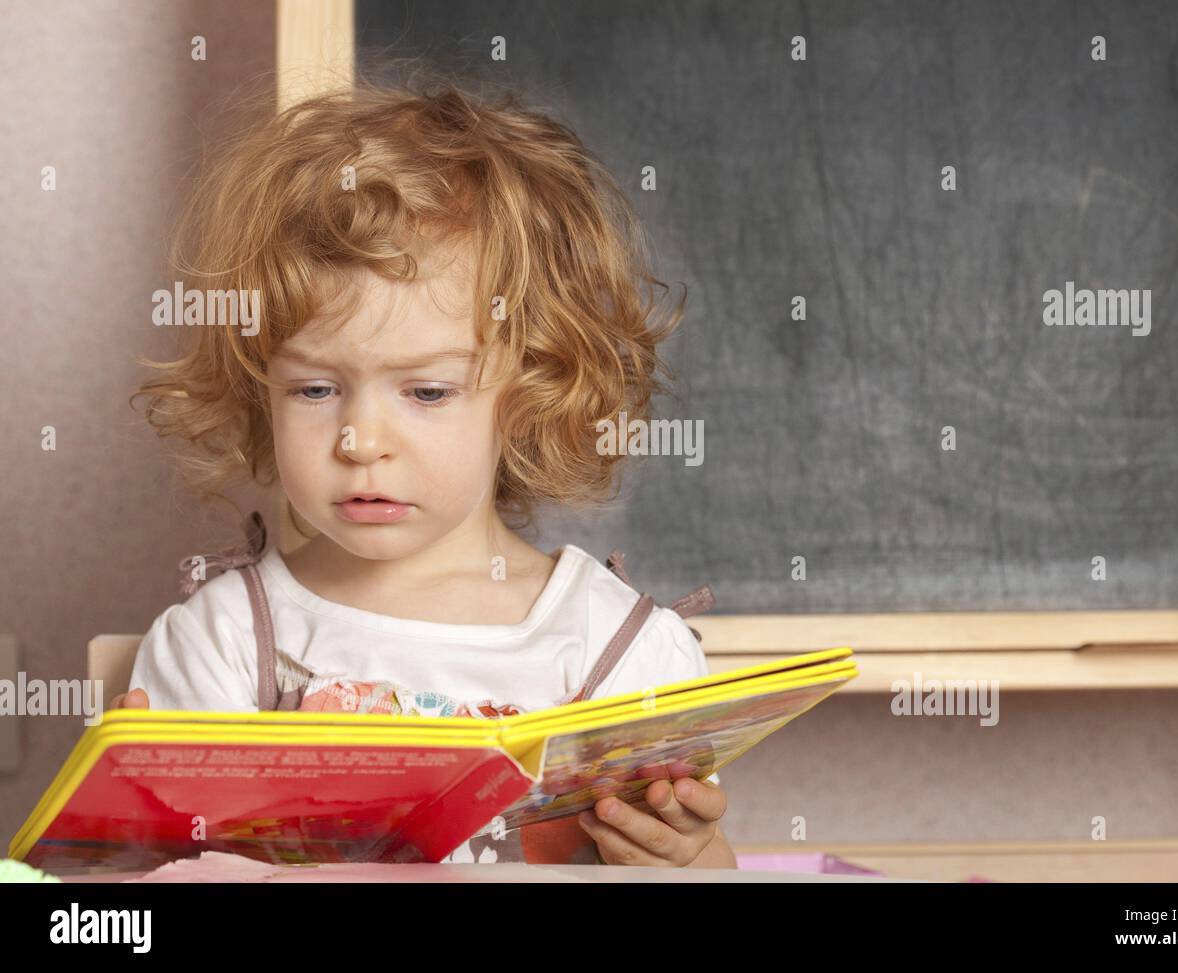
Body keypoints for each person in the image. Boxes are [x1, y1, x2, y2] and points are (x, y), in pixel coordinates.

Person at [116, 78, 734, 869]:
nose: (361, 439)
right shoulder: (228, 644)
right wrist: (153, 830)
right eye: (314, 388)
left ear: (529, 391)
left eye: (427, 391)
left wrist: (689, 854)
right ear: (258, 386)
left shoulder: (622, 652)